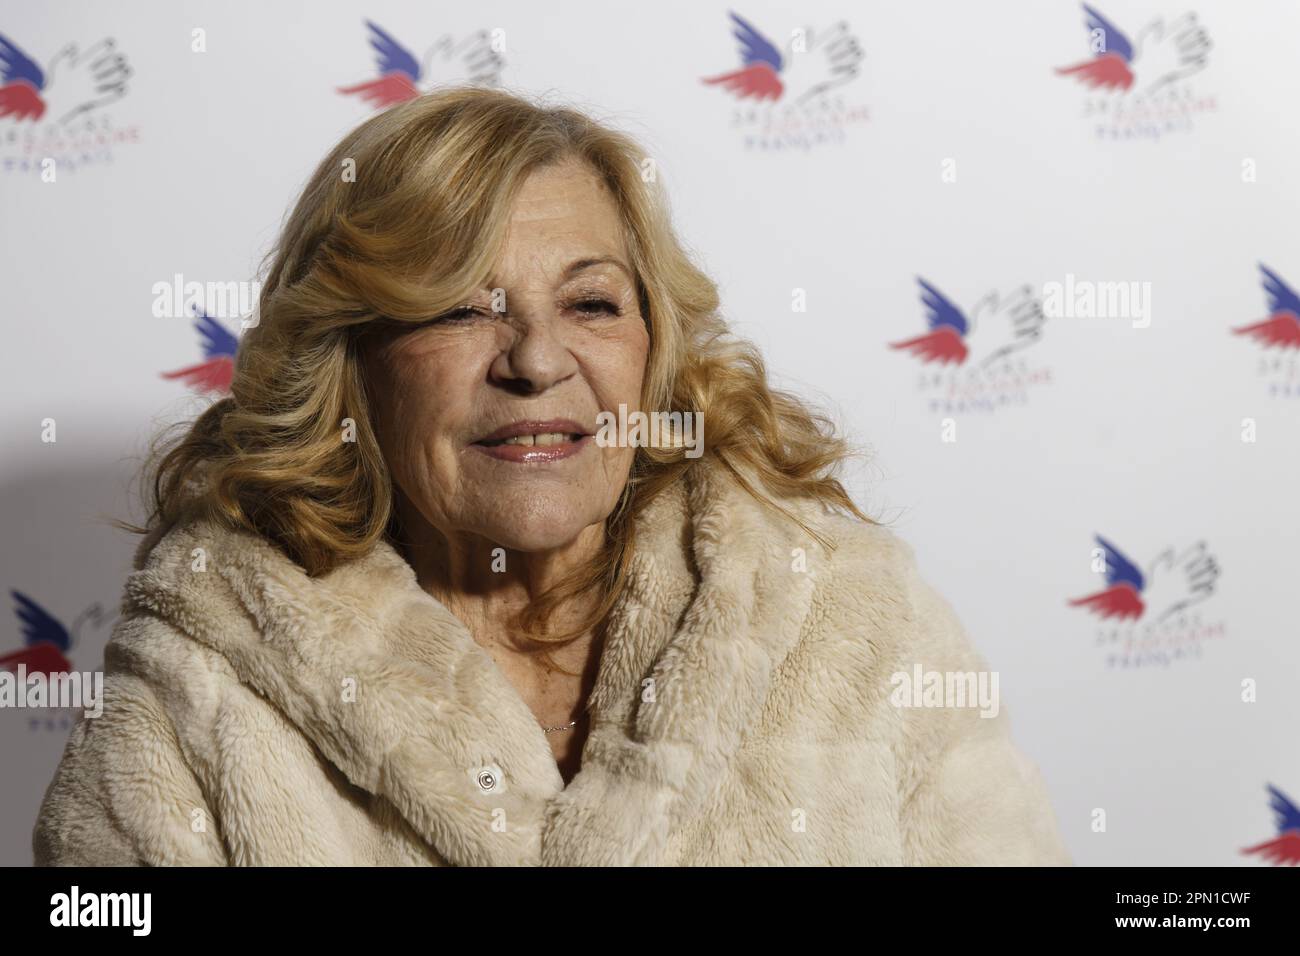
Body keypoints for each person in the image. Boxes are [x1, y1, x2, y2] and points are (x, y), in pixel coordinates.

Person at [32, 86, 1070, 866]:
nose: (534, 359)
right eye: (460, 306)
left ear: (655, 349)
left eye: (592, 303)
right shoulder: (200, 677)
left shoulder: (852, 613)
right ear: (350, 363)